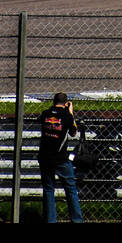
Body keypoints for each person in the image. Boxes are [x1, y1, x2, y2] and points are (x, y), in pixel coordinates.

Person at [38, 92, 84, 223]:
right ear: (65, 103)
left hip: (45, 156)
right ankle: (76, 219)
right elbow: (74, 132)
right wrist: (70, 112)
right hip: (61, 158)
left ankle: (50, 220)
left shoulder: (45, 114)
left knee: (48, 189)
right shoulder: (67, 116)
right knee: (70, 189)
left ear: (53, 102)